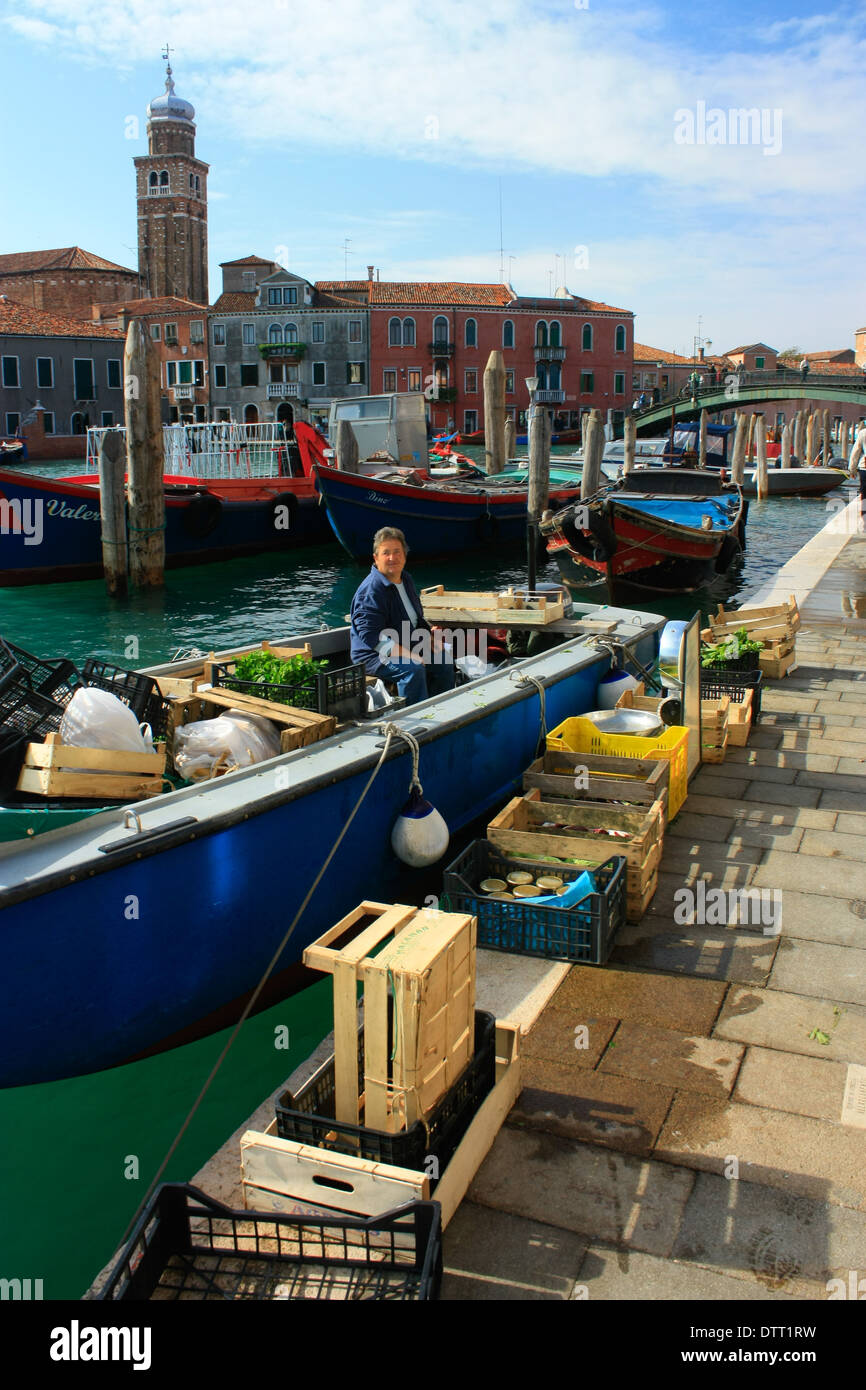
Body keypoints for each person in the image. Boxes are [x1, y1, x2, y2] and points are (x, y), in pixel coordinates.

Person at [350, 527, 456, 705]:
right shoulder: (371, 591)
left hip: (408, 643)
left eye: (397, 552)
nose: (392, 558)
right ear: (376, 558)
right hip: (373, 655)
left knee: (443, 661)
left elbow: (415, 618)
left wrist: (429, 640)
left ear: (405, 556)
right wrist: (409, 655)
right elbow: (371, 637)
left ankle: (441, 708)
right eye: (386, 553)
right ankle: (416, 718)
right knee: (412, 669)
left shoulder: (405, 580)